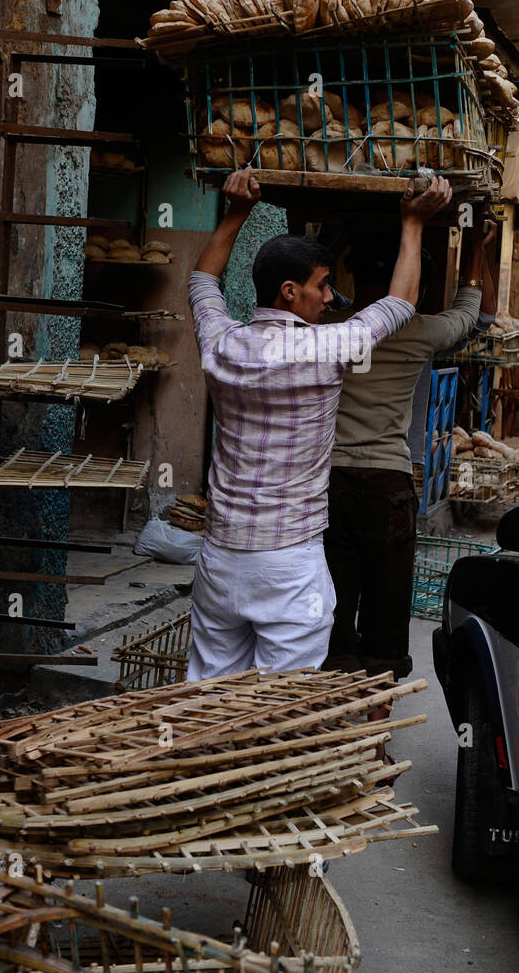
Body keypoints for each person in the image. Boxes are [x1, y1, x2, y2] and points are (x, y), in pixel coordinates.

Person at [185, 164, 453, 679]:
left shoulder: (221, 342)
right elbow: (399, 305)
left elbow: (202, 281)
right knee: (286, 707)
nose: (331, 298)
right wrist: (413, 224)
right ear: (290, 291)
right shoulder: (328, 348)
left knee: (212, 695)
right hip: (289, 564)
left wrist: (237, 213)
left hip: (220, 557)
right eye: (323, 286)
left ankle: (211, 760)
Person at [322, 207, 498, 681]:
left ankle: (332, 720)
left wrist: (331, 243)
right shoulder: (419, 332)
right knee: (387, 605)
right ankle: (376, 737)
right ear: (413, 281)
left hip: (329, 485)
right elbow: (475, 314)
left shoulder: (329, 328)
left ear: (350, 272)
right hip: (387, 486)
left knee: (333, 603)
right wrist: (477, 246)